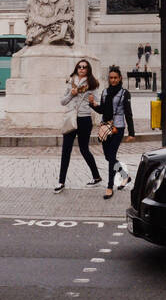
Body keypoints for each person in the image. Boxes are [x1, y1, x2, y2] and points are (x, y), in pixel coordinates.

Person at [56, 59, 102, 192]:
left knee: (84, 149)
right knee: (66, 150)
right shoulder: (70, 82)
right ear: (76, 68)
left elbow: (97, 102)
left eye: (84, 67)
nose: (81, 69)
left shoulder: (92, 84)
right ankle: (61, 182)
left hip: (84, 119)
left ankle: (96, 177)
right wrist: (72, 93)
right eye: (79, 67)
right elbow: (62, 102)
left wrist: (93, 102)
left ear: (88, 70)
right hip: (71, 119)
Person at [91, 66, 134, 198]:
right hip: (105, 127)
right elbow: (103, 110)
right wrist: (93, 104)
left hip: (118, 127)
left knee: (111, 158)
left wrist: (131, 132)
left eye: (115, 78)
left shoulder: (124, 93)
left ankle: (110, 187)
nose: (113, 80)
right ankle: (125, 177)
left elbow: (128, 113)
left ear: (120, 78)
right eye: (111, 78)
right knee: (108, 157)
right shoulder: (105, 92)